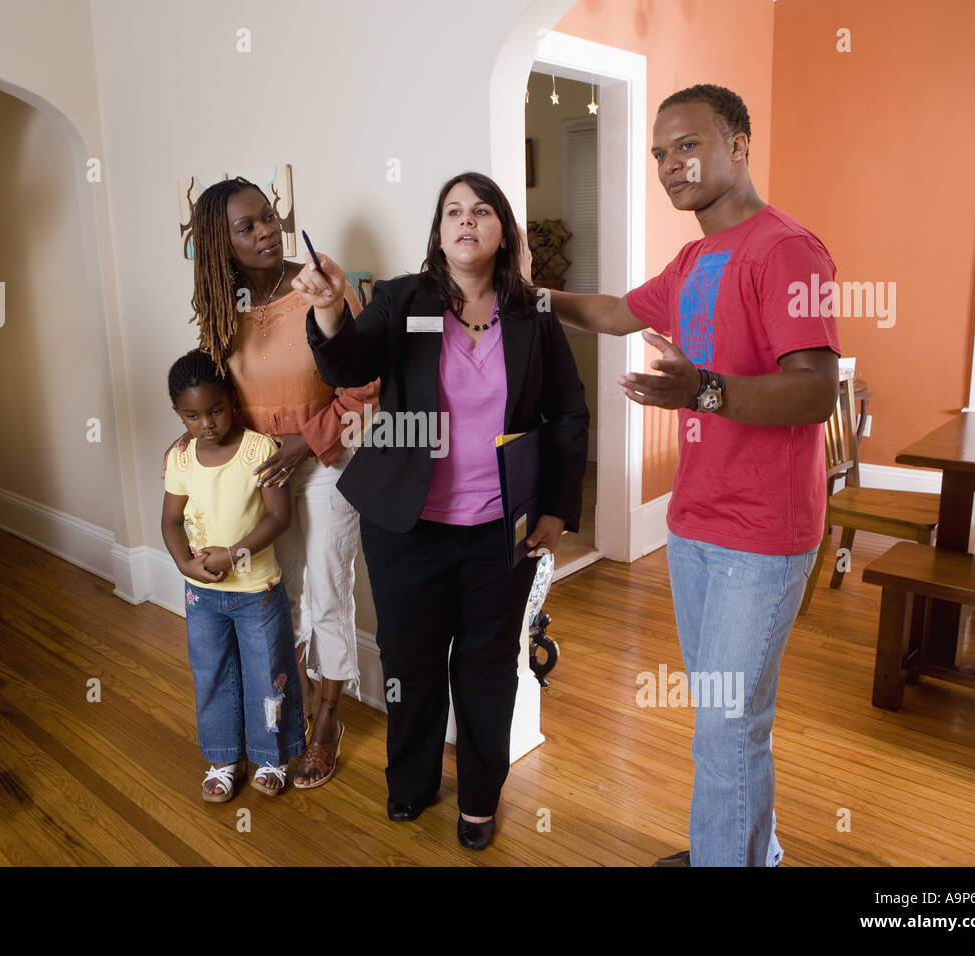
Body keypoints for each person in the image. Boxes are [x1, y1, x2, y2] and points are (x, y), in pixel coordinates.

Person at [544, 84, 840, 866]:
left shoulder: (786, 250)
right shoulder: (694, 258)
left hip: (763, 538)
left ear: (739, 144)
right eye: (660, 153)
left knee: (726, 725)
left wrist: (703, 388)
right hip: (696, 524)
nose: (671, 165)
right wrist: (532, 298)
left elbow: (815, 391)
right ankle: (750, 853)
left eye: (688, 145)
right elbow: (615, 312)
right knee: (726, 717)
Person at [295, 171, 589, 850]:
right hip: (407, 528)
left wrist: (557, 508)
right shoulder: (402, 300)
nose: (465, 221)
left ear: (501, 230)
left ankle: (480, 800)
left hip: (500, 531)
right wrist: (332, 307)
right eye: (452, 211)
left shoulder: (532, 312)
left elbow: (568, 413)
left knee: (487, 667)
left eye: (480, 211)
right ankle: (413, 782)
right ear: (438, 231)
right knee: (410, 663)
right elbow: (347, 363)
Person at [169, 177, 378, 789]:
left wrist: (305, 441)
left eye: (270, 218)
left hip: (325, 464)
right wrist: (196, 443)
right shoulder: (219, 303)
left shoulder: (319, 282)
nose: (267, 232)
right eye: (247, 227)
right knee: (272, 603)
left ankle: (328, 725)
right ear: (219, 244)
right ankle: (285, 717)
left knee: (329, 595)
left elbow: (365, 389)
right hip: (260, 477)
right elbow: (215, 397)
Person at [160, 348, 305, 800]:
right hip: (201, 596)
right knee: (212, 673)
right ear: (179, 415)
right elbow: (169, 522)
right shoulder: (180, 459)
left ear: (231, 403)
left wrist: (234, 554)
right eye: (193, 416)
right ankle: (223, 759)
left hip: (257, 592)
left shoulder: (259, 449)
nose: (207, 424)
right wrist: (186, 564)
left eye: (216, 410)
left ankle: (271, 756)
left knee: (268, 673)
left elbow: (278, 518)